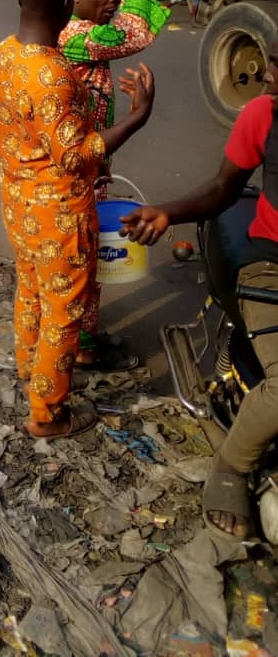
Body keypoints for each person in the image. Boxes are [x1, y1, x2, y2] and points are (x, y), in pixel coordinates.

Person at [0, 0, 155, 439]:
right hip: (58, 211)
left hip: (17, 199)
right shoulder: (54, 75)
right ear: (66, 6)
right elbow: (77, 157)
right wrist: (138, 117)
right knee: (64, 311)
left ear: (21, 3)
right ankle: (48, 414)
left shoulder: (2, 54)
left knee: (32, 288)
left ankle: (31, 369)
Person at [121, 39, 278, 539]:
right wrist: (168, 211)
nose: (266, 73)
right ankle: (231, 468)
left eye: (277, 64)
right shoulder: (263, 115)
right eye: (270, 61)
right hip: (270, 264)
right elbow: (223, 187)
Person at [58, 0, 169, 365]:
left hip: (91, 163)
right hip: (79, 167)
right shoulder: (76, 35)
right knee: (83, 260)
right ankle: (77, 351)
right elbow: (137, 32)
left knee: (88, 258)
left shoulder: (80, 34)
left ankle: (81, 341)